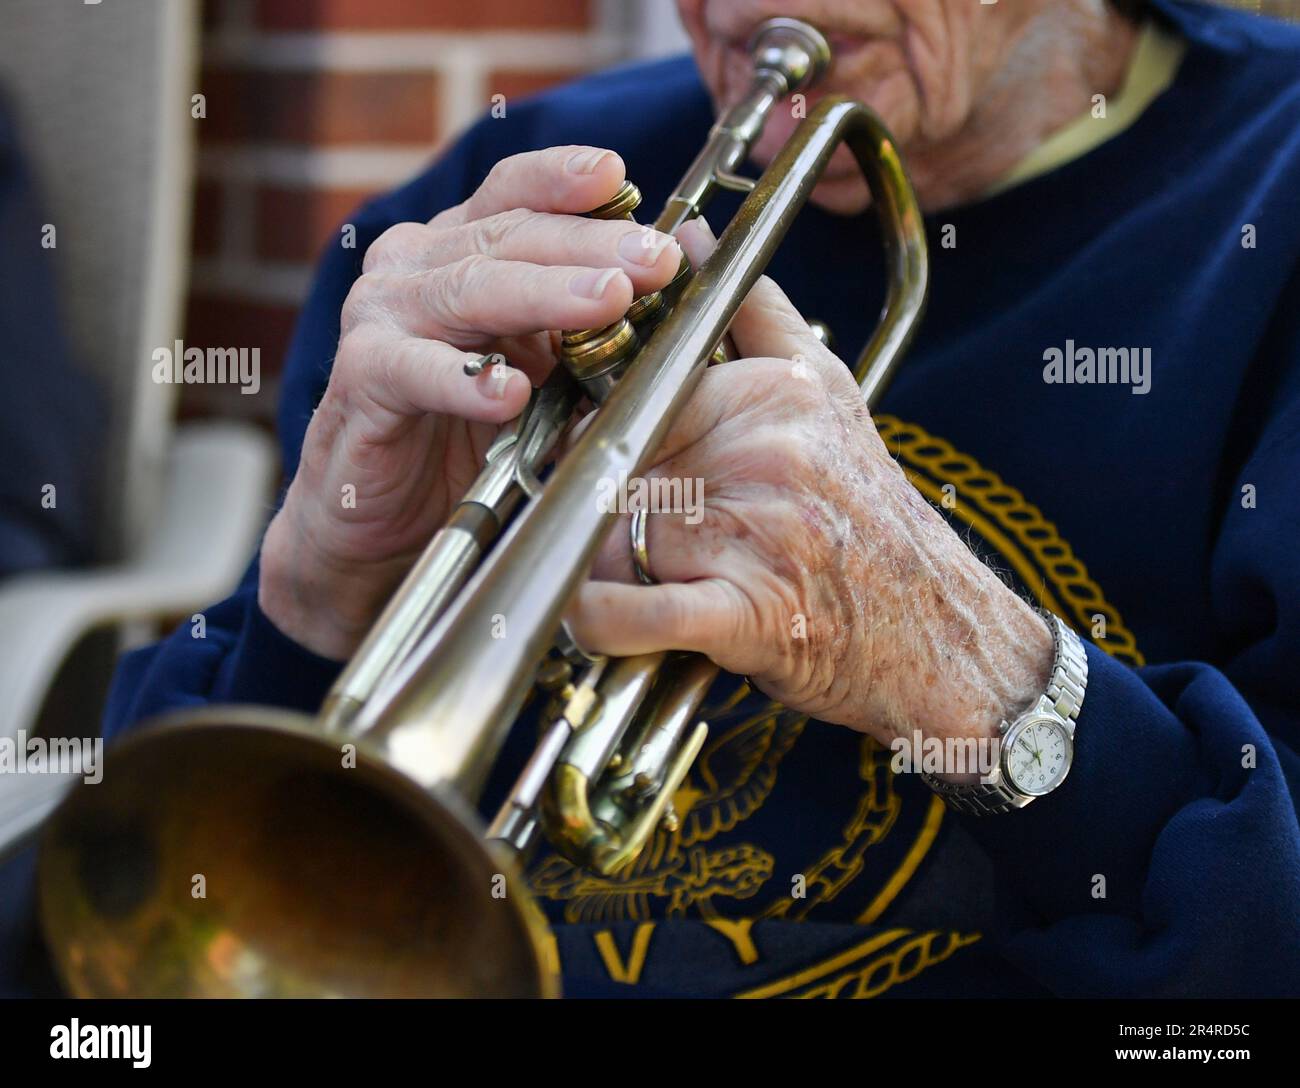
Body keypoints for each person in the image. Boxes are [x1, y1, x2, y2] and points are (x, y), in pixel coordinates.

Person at [10, 0, 1300, 997]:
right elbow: (104, 963)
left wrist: (969, 663)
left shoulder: (1267, 202)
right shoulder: (503, 183)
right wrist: (309, 607)